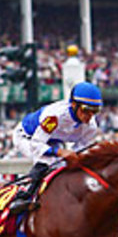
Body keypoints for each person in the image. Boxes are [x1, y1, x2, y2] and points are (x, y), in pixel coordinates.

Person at [9, 81, 103, 215]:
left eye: (95, 111)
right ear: (74, 105)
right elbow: (37, 144)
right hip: (27, 137)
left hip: (52, 141)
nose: (90, 116)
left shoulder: (91, 127)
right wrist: (59, 152)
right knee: (47, 160)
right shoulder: (55, 116)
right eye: (86, 110)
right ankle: (22, 196)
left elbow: (81, 151)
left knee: (67, 166)